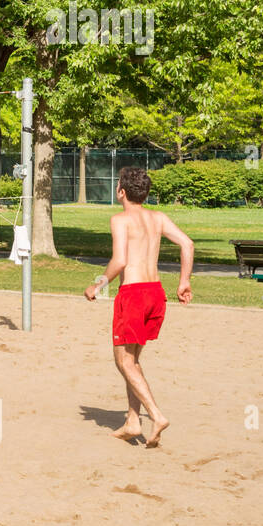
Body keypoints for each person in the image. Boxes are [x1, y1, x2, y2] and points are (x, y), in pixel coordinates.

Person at [85, 166, 193, 448]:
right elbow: (187, 244)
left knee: (123, 361)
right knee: (131, 360)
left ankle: (156, 415)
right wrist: (183, 283)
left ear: (121, 191)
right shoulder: (158, 218)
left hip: (132, 294)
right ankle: (133, 421)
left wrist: (97, 284)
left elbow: (119, 261)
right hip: (155, 293)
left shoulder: (120, 220)